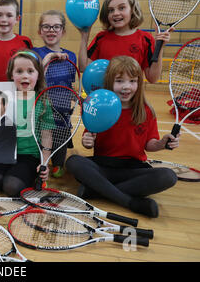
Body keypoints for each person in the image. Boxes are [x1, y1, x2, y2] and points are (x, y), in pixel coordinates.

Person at [65, 56, 179, 218]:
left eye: (132, 81)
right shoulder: (99, 106)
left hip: (133, 169)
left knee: (168, 176)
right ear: (110, 82)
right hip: (103, 166)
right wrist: (87, 141)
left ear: (139, 84)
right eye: (119, 81)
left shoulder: (145, 110)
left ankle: (98, 190)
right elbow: (88, 141)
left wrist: (162, 143)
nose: (126, 87)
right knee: (73, 162)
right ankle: (129, 201)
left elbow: (149, 144)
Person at [0, 50, 50, 196]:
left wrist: (44, 162)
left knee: (12, 186)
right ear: (11, 75)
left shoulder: (42, 101)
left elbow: (47, 136)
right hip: (5, 153)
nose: (25, 76)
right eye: (19, 71)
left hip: (28, 156)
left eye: (30, 71)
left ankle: (27, 176)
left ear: (38, 74)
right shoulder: (3, 98)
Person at [77, 0, 172, 84]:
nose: (116, 13)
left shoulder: (145, 39)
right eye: (111, 10)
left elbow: (152, 78)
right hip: (106, 97)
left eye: (121, 8)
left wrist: (160, 48)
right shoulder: (101, 38)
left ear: (132, 10)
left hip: (132, 97)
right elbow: (83, 67)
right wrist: (84, 36)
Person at [33, 10, 78, 177]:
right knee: (43, 145)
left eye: (56, 27)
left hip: (63, 113)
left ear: (63, 31)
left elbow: (69, 85)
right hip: (42, 113)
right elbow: (36, 80)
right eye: (46, 26)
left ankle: (57, 161)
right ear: (39, 31)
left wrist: (77, 97)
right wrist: (50, 57)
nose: (51, 30)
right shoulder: (35, 53)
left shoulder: (70, 56)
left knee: (59, 152)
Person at [0, 0, 33, 82]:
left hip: (16, 90)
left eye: (9, 15)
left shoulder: (25, 42)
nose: (4, 20)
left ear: (17, 18)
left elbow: (33, 67)